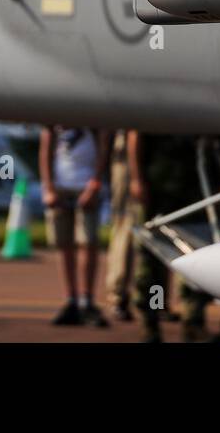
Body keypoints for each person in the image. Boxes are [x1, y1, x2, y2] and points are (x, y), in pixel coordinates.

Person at [129, 130, 212, 342]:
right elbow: (135, 134)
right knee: (154, 264)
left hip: (193, 190)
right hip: (157, 190)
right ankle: (152, 322)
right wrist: (137, 178)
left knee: (196, 258)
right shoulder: (154, 105)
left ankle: (193, 321)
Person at [39, 125, 109, 327]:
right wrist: (49, 188)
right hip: (61, 187)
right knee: (64, 245)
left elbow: (104, 144)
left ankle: (87, 300)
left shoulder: (92, 118)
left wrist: (95, 182)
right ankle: (71, 299)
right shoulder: (53, 120)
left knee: (88, 243)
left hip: (85, 186)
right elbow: (45, 150)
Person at [103, 130, 137, 321]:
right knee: (126, 224)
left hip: (162, 144)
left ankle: (157, 300)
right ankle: (118, 295)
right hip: (129, 142)